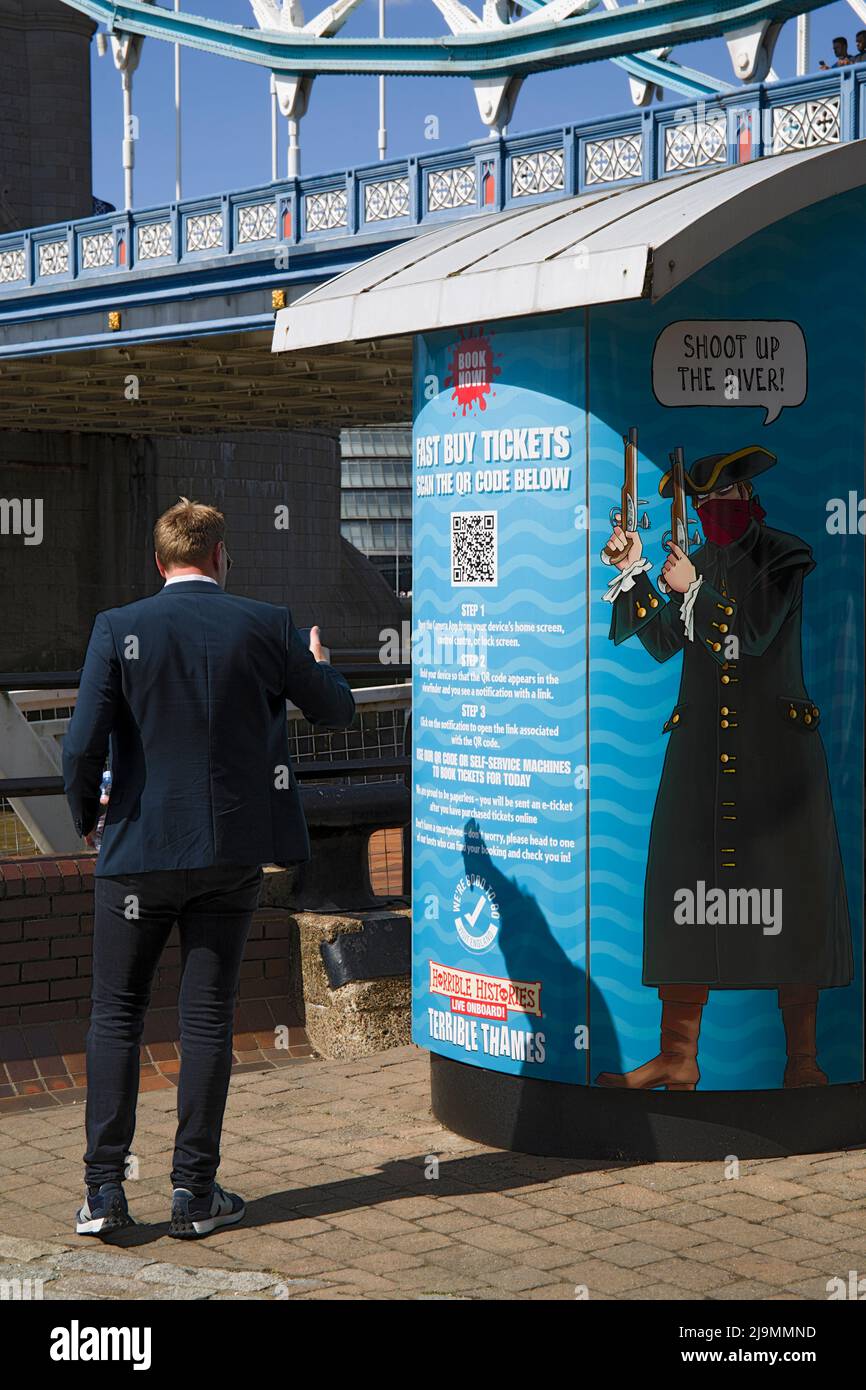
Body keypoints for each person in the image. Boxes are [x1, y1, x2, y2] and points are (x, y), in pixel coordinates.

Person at [63, 498, 355, 1238]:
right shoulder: (265, 624)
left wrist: (88, 820)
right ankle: (195, 1194)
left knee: (117, 1014)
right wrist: (319, 666)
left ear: (159, 563)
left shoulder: (117, 628)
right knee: (206, 1020)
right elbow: (334, 711)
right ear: (221, 557)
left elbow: (80, 748)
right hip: (228, 856)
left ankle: (104, 1193)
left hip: (135, 855)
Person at [596, 447, 852, 1091]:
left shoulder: (785, 555)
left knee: (791, 897)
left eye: (718, 500)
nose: (711, 512)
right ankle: (678, 1057)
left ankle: (802, 1063)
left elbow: (752, 632)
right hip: (702, 753)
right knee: (683, 890)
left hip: (776, 758)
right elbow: (661, 644)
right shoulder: (699, 563)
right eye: (701, 504)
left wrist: (694, 591)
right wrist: (637, 574)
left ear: (746, 497)